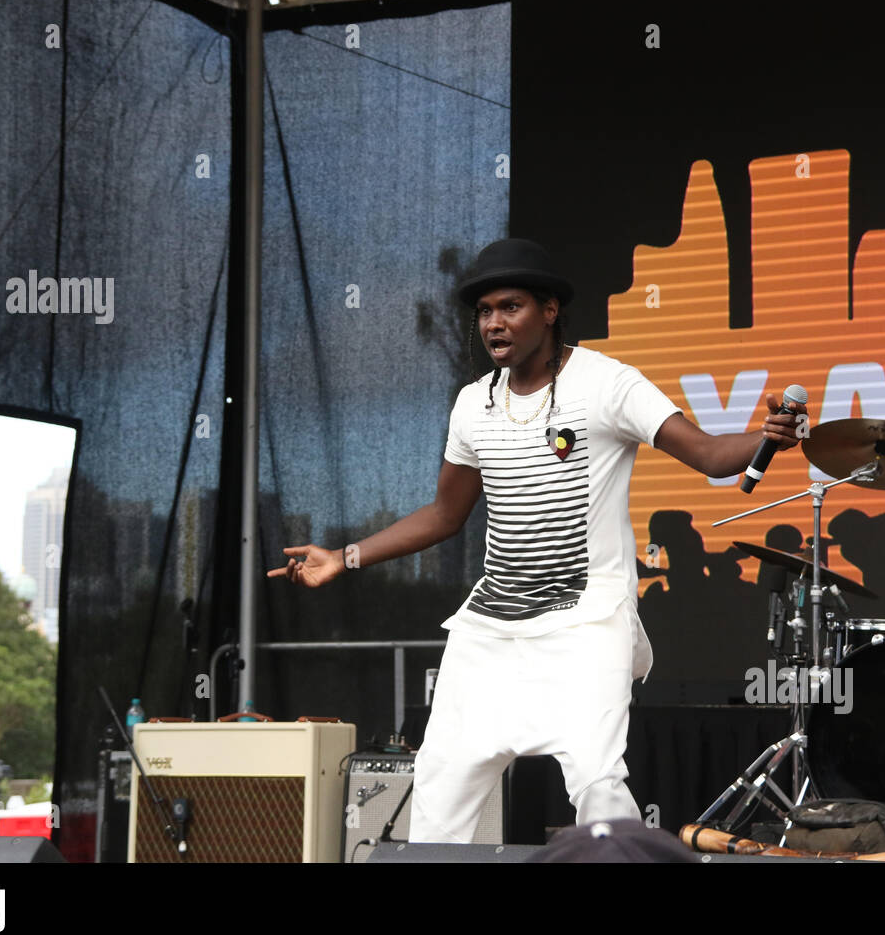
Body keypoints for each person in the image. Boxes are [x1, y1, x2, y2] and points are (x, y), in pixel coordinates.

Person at [268, 238, 805, 842]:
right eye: (485, 311)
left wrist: (763, 438)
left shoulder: (608, 384)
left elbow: (708, 455)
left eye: (511, 306)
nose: (494, 322)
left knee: (596, 778)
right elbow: (447, 514)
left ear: (549, 311)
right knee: (442, 777)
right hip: (492, 624)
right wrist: (345, 556)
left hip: (585, 617)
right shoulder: (474, 404)